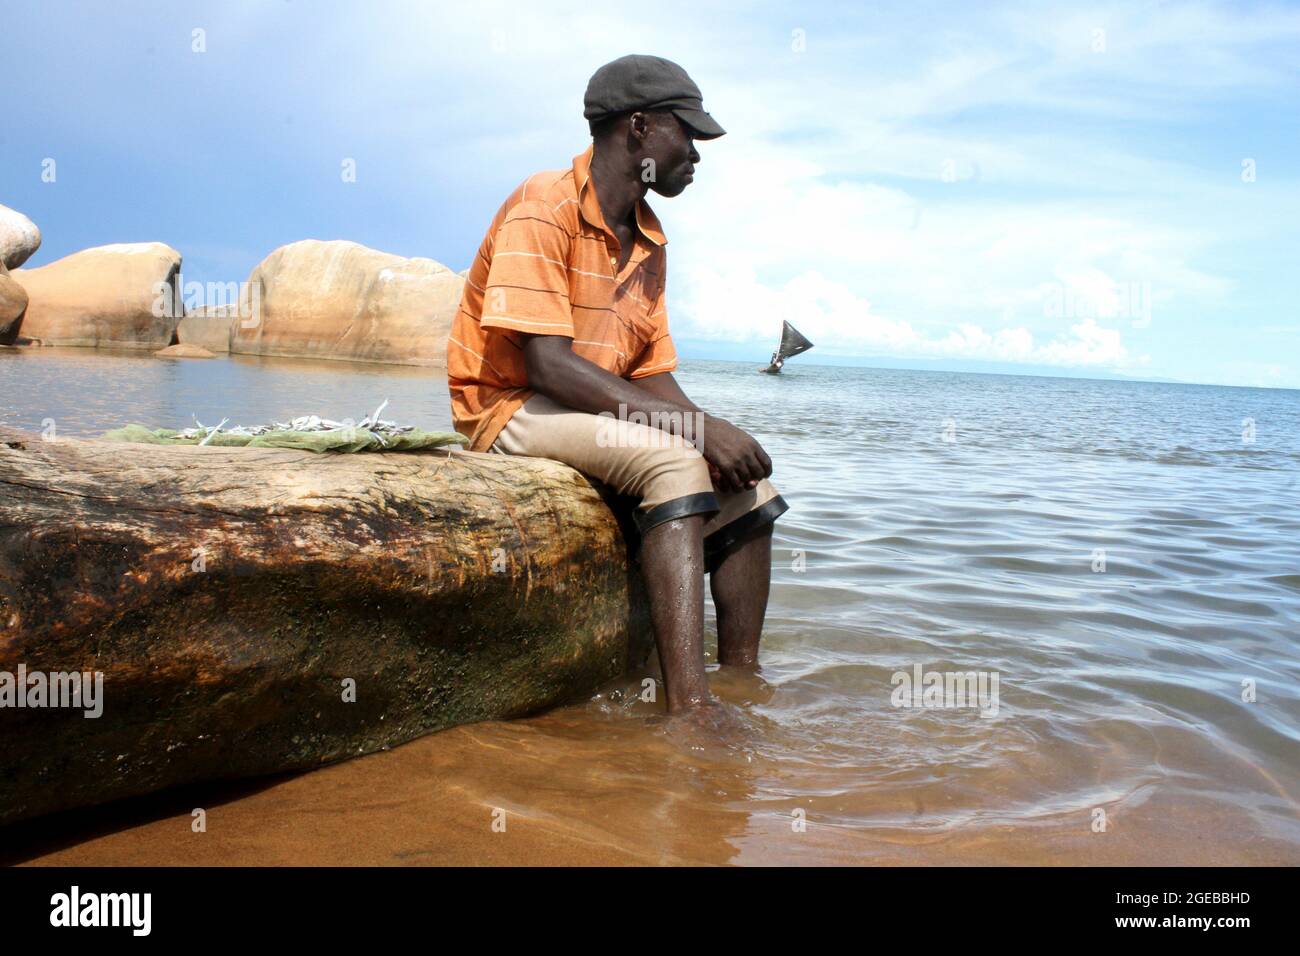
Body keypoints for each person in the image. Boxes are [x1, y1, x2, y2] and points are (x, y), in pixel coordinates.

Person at [447, 54, 787, 716]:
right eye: (687, 134)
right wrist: (695, 434)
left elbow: (651, 374)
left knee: (751, 487)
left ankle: (742, 681)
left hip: (583, 402)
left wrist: (718, 436)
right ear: (639, 128)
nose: (697, 153)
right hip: (510, 405)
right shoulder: (543, 206)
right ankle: (690, 710)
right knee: (674, 459)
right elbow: (546, 366)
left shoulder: (651, 240)